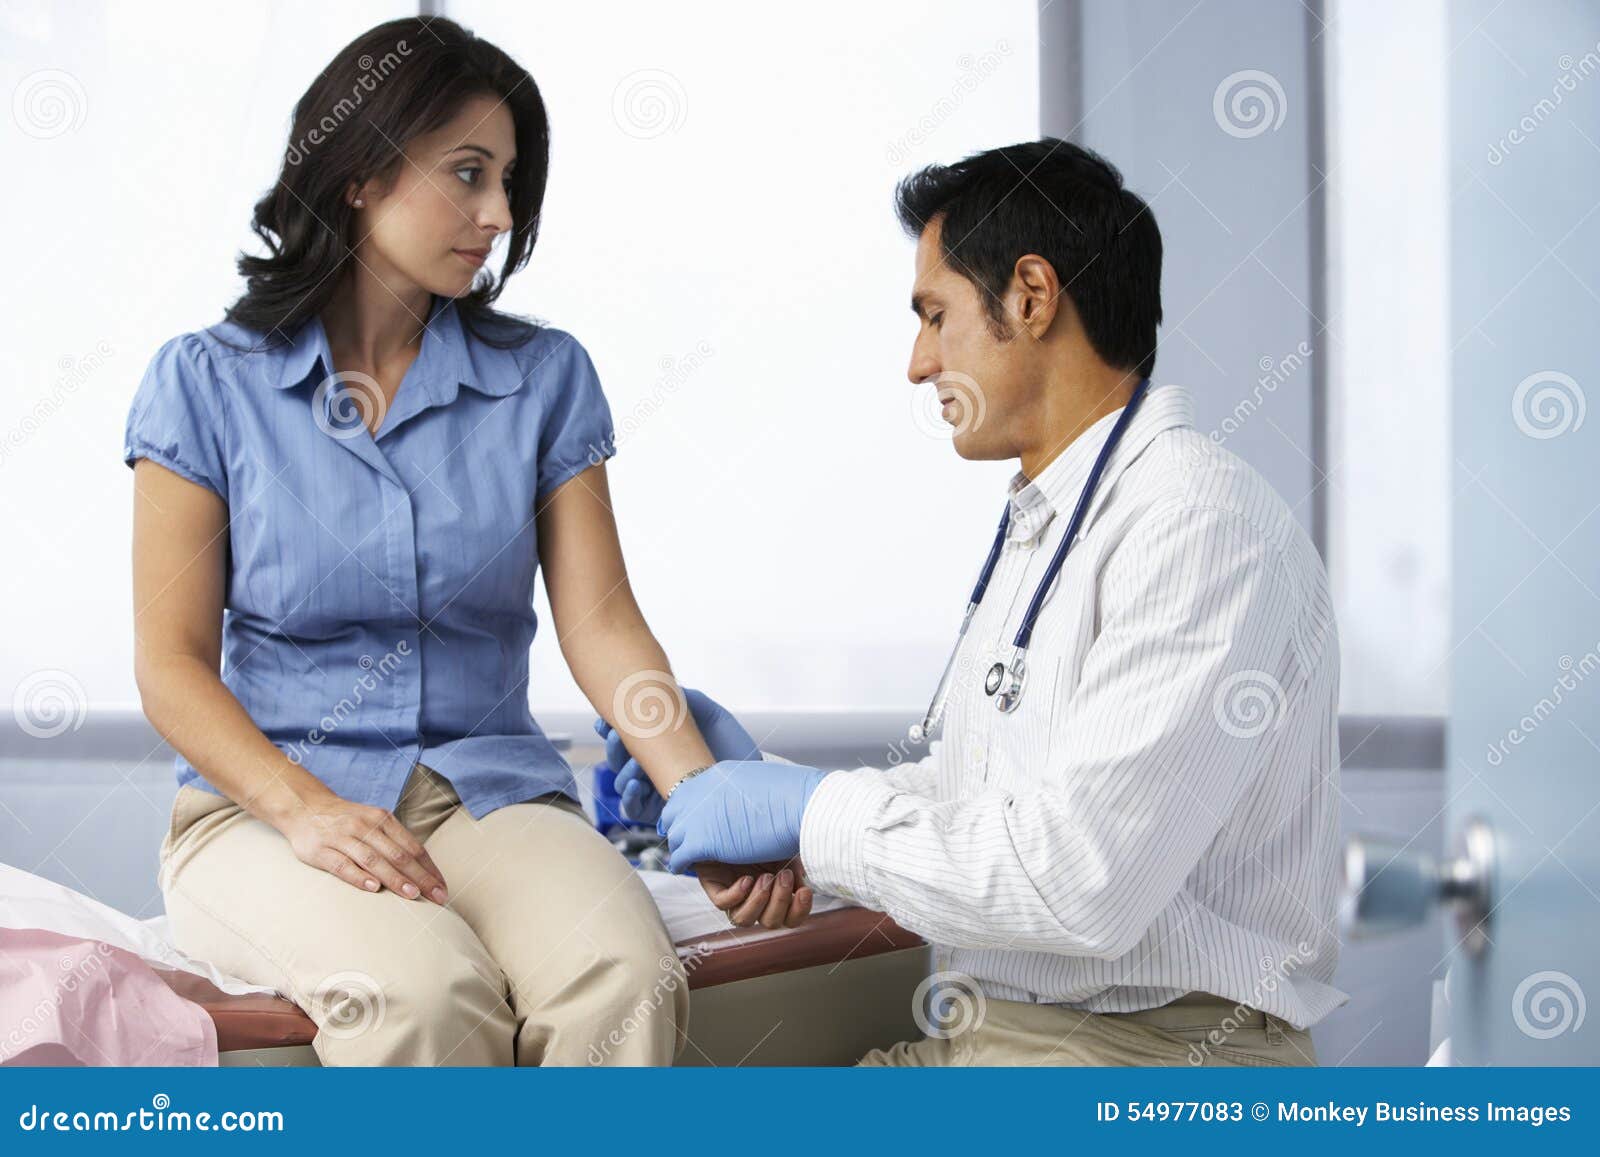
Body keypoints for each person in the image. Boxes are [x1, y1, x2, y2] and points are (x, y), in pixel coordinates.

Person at [124, 15, 804, 1068]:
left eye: (510, 183)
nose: (497, 215)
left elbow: (604, 625)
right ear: (359, 174)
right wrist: (304, 808)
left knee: (624, 978)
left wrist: (706, 797)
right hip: (267, 806)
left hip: (488, 790)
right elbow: (169, 665)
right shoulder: (205, 381)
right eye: (468, 174)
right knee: (427, 993)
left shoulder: (543, 376)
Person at [601, 139, 1348, 1066]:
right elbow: (999, 802)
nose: (918, 364)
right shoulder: (1054, 519)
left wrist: (809, 810)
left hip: (1149, 1060)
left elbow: (1081, 878)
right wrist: (776, 786)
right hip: (999, 1040)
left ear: (1030, 296)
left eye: (935, 315)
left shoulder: (1197, 525)